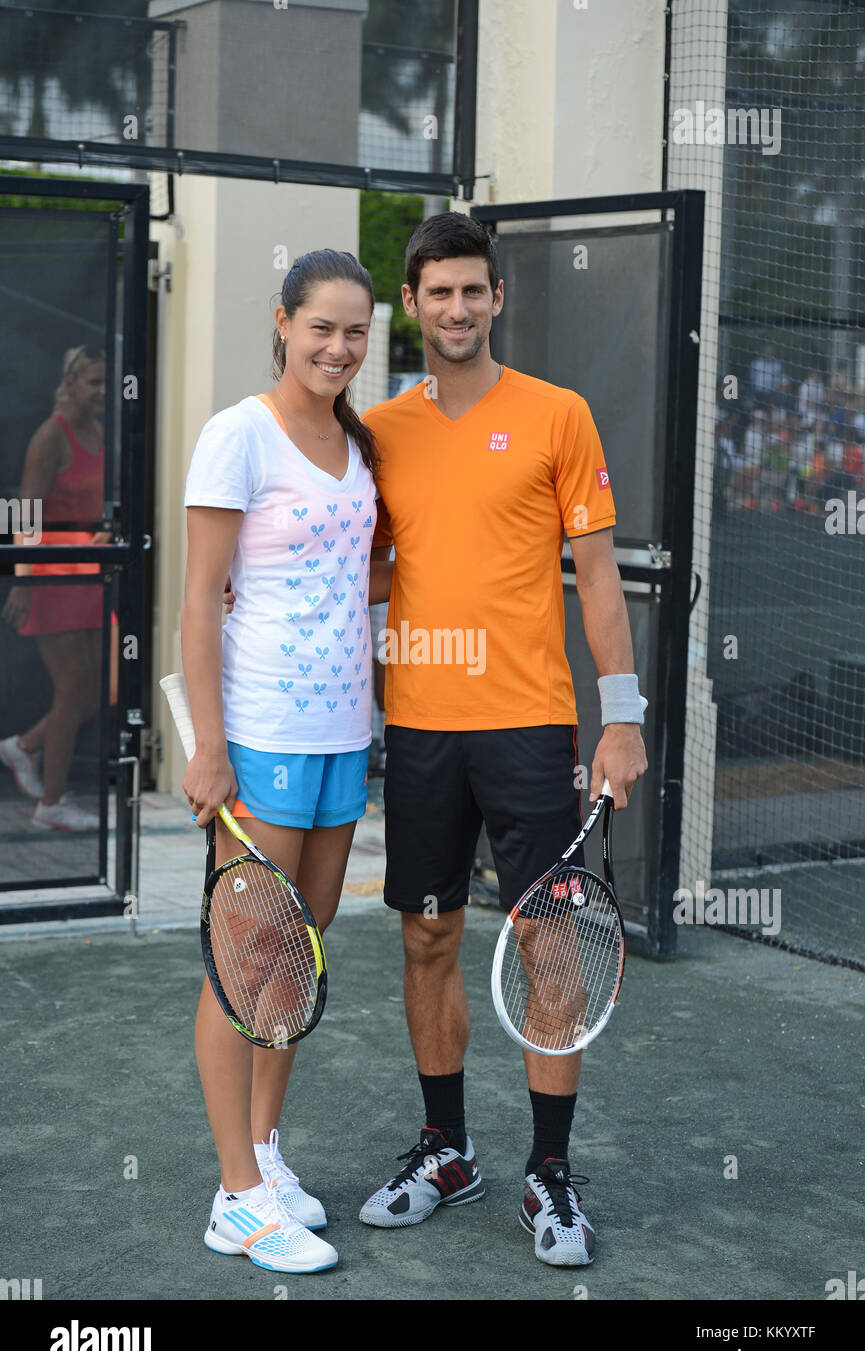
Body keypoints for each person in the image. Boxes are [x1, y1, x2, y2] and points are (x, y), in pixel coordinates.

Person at [358, 213, 648, 1267]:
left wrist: (624, 715)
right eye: (438, 293)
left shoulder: (557, 416)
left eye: (473, 290)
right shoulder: (380, 430)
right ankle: (447, 1149)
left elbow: (600, 575)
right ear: (412, 303)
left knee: (545, 944)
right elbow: (376, 568)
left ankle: (549, 1171)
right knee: (425, 937)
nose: (457, 309)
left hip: (531, 731)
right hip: (422, 731)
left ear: (496, 297)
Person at [181, 249, 392, 1275]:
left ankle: (266, 1156)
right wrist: (207, 747)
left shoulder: (357, 439)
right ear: (283, 322)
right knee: (245, 961)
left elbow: (361, 569)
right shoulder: (237, 435)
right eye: (322, 328)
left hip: (343, 735)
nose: (339, 347)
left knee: (298, 959)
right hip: (257, 738)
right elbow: (198, 598)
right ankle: (233, 1199)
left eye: (356, 331)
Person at [0, 344, 115, 832]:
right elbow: (22, 509)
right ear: (69, 384)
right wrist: (22, 580)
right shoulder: (52, 435)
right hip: (51, 577)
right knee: (73, 689)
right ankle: (51, 803)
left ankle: (22, 746)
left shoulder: (99, 430)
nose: (103, 392)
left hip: (88, 574)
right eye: (93, 383)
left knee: (102, 687)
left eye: (107, 383)